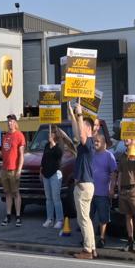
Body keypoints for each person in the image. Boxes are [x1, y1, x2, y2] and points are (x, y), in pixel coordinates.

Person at [65, 100, 99, 259]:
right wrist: (72, 113)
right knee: (85, 219)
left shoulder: (89, 142)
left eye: (83, 127)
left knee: (83, 219)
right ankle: (92, 248)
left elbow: (82, 135)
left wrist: (79, 113)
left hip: (84, 185)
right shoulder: (85, 143)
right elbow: (77, 131)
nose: (80, 130)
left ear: (88, 129)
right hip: (85, 185)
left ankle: (87, 250)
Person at [88, 129, 118, 250]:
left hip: (103, 193)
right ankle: (88, 239)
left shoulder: (109, 155)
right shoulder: (91, 154)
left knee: (103, 218)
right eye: (94, 141)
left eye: (97, 141)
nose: (95, 143)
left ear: (103, 143)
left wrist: (111, 188)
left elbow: (114, 173)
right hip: (90, 193)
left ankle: (101, 238)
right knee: (88, 217)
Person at [116, 135, 135, 253]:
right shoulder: (123, 155)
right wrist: (118, 188)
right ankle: (130, 241)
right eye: (125, 137)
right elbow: (120, 173)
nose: (125, 139)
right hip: (124, 189)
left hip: (134, 188)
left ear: (134, 139)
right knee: (127, 216)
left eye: (128, 138)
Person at [0, 113, 25, 225]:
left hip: (14, 169)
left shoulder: (19, 136)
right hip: (5, 169)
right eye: (8, 121)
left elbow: (21, 155)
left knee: (15, 193)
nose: (9, 123)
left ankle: (18, 216)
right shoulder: (5, 136)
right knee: (7, 193)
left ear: (15, 123)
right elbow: (3, 155)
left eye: (11, 121)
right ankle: (8, 215)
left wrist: (19, 170)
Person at [40, 125, 65, 229]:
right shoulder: (47, 145)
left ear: (55, 134)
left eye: (51, 132)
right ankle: (49, 219)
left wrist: (53, 143)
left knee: (56, 198)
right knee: (48, 198)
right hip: (46, 174)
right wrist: (41, 170)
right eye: (48, 133)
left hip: (55, 174)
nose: (49, 134)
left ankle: (59, 220)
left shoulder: (59, 145)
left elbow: (59, 154)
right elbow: (44, 159)